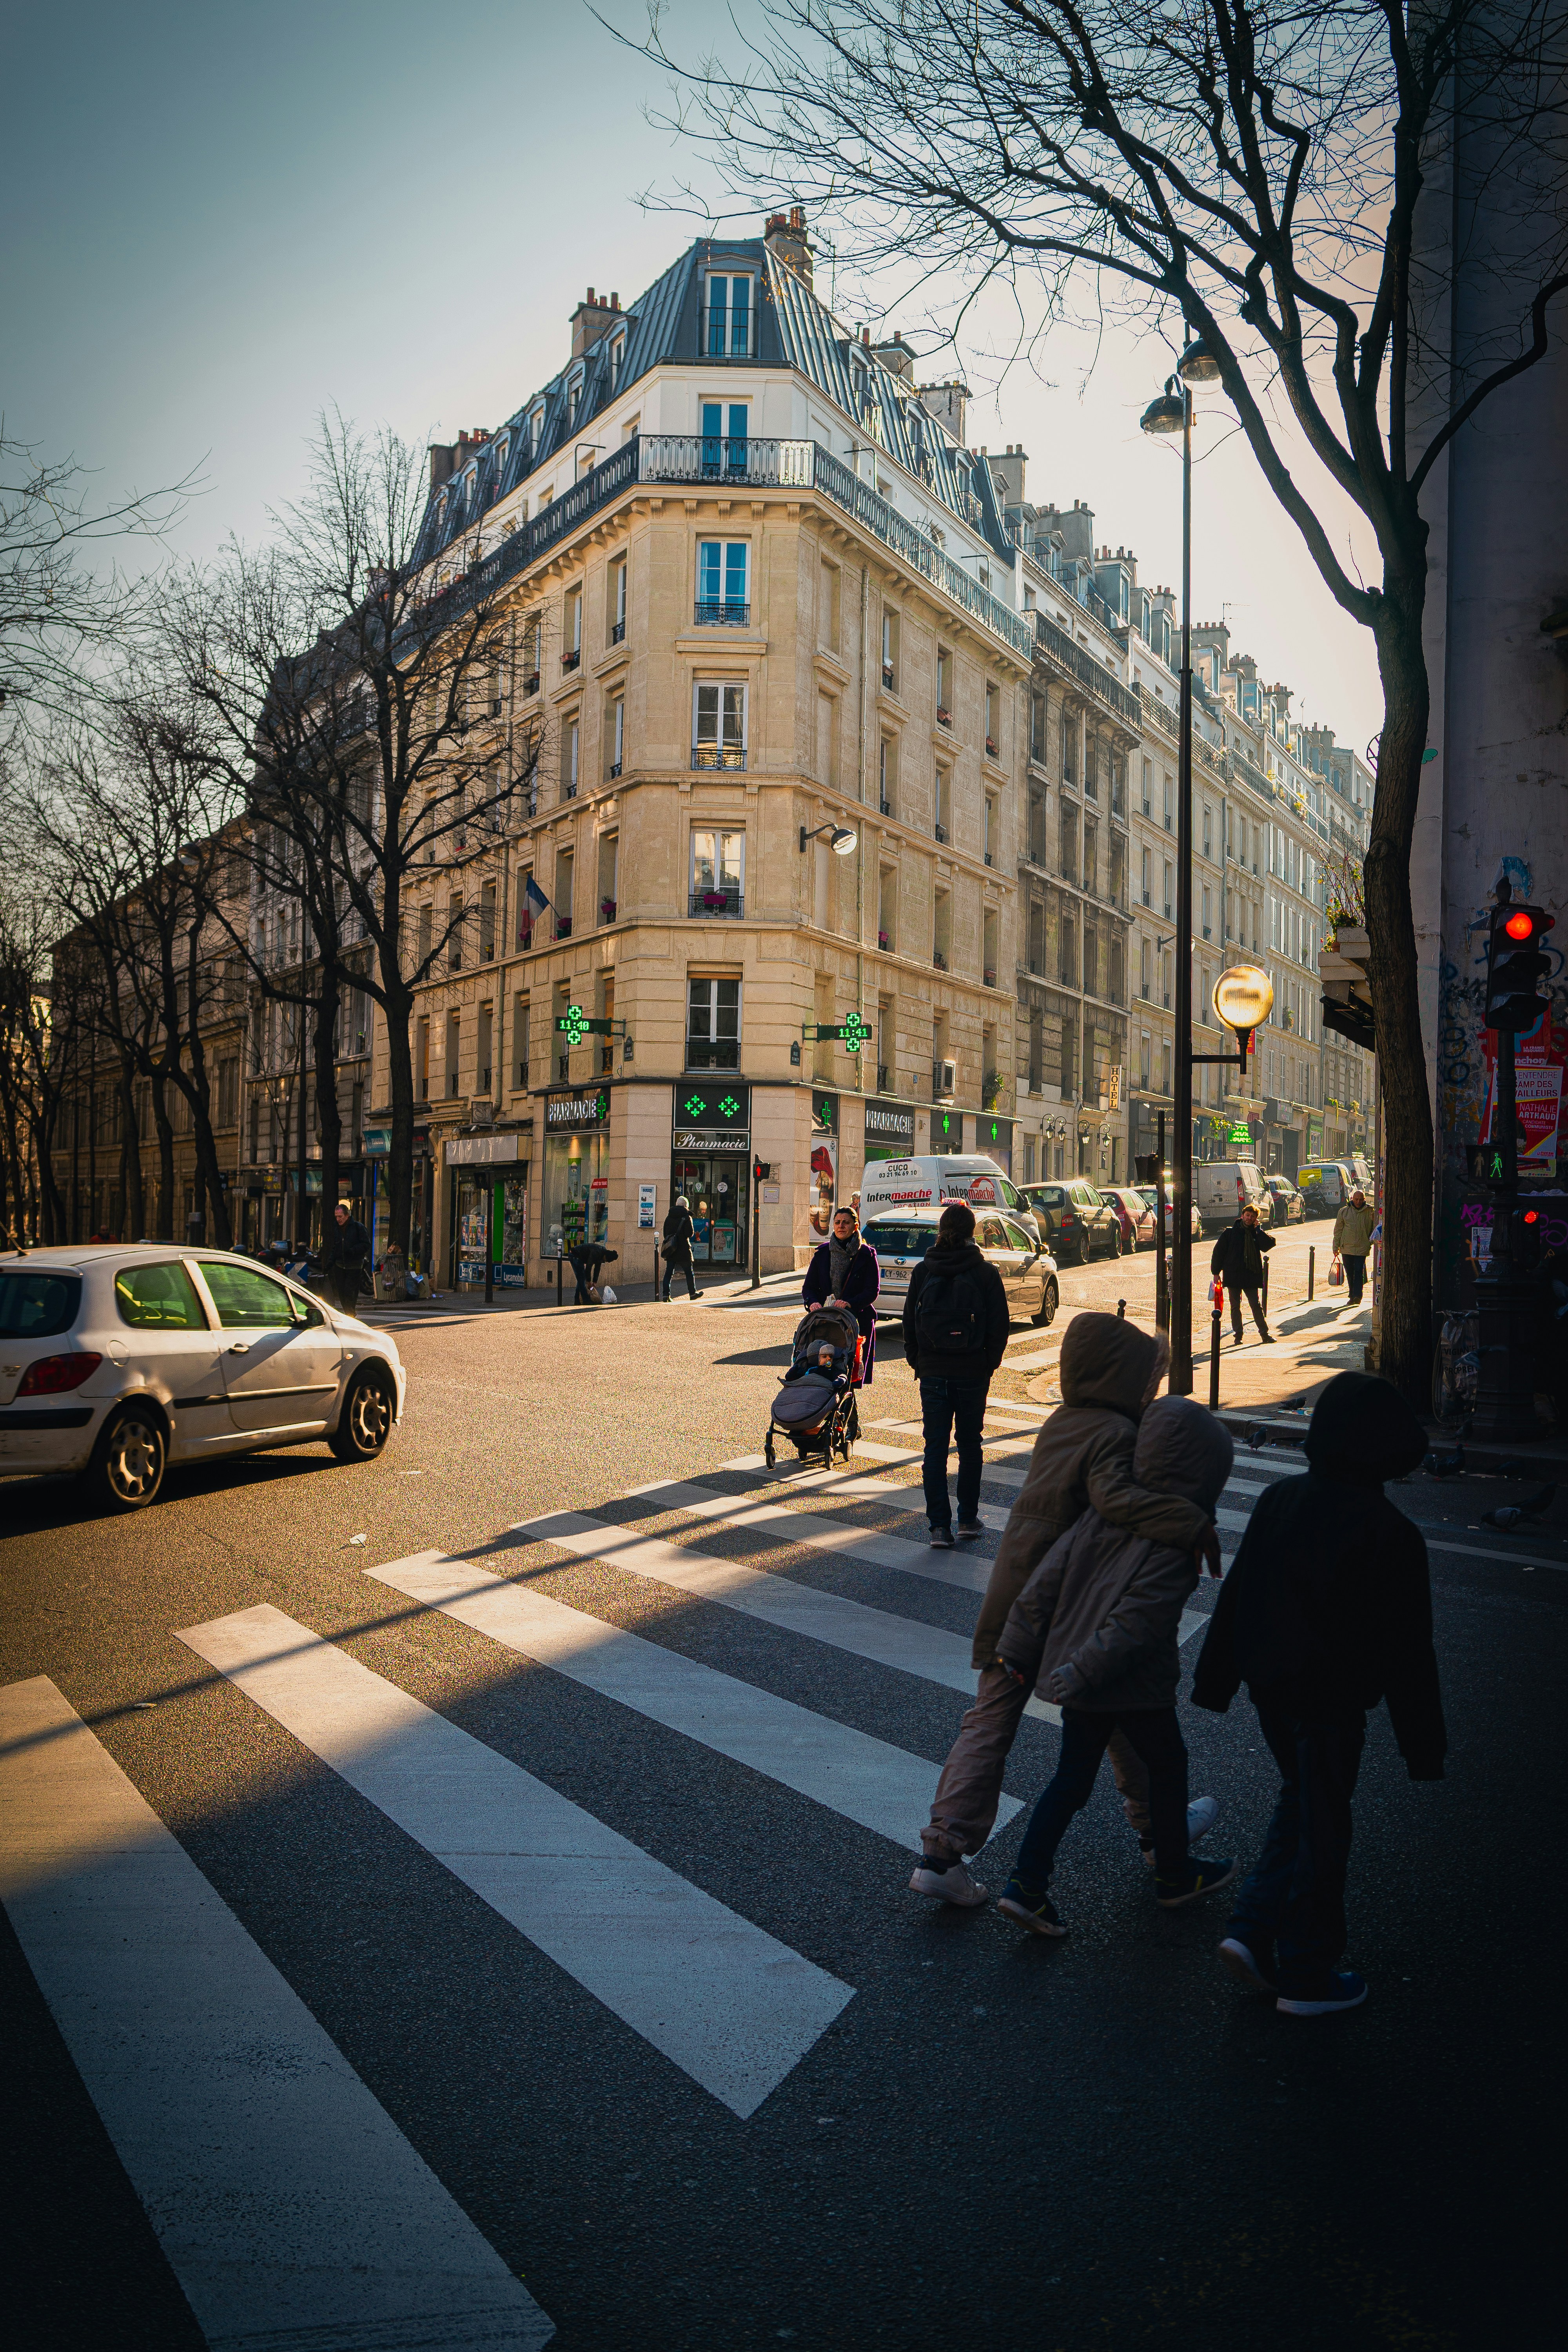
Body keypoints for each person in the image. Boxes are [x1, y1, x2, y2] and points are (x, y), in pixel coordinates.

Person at [910, 1310, 1223, 1906]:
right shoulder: (1115, 1433)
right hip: (1067, 1594)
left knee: (994, 1717)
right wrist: (1190, 1522)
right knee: (1118, 1705)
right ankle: (1159, 1833)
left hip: (1016, 1587)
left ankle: (942, 1854)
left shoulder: (1064, 1420)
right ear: (1122, 1378)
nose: (1154, 1391)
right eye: (1148, 1379)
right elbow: (1116, 1501)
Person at [1192, 1370, 1445, 2016]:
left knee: (1304, 1801)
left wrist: (1216, 1681)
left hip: (1271, 1688)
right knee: (1326, 1824)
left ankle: (1252, 1928)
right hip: (1333, 1702)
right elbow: (1410, 1653)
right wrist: (1423, 1746)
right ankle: (1306, 1969)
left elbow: (1239, 1593)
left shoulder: (1282, 1499)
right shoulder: (1390, 1533)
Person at [991, 1394, 1240, 1936]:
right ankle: (1174, 1875)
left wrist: (1017, 1647)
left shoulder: (1105, 1509)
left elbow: (1045, 1582)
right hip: (1128, 1685)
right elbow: (1135, 1626)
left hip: (1083, 1675)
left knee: (1071, 1781)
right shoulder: (1177, 1541)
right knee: (1168, 1765)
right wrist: (1082, 1675)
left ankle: (1026, 1884)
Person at [900, 1201, 1005, 1549]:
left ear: (941, 1230)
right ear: (972, 1232)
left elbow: (910, 1322)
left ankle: (938, 1528)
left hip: (932, 1371)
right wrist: (988, 1363)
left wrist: (919, 1361)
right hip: (972, 1370)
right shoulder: (986, 1273)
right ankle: (967, 1519)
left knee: (935, 1449)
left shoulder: (924, 1270)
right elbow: (998, 1327)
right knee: (970, 1445)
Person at [803, 1203, 880, 1383]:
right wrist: (813, 1302)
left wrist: (849, 1303)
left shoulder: (867, 1255)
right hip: (826, 1321)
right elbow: (809, 1288)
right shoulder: (823, 1253)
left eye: (846, 1222)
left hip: (856, 1319)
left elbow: (873, 1291)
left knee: (849, 1373)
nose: (841, 1226)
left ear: (856, 1226)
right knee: (823, 1367)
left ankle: (847, 1404)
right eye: (837, 1223)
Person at [1210, 1200, 1274, 1344]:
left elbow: (1268, 1245)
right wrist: (1216, 1272)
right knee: (1235, 1307)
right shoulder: (1230, 1233)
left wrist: (1259, 1230)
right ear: (1242, 1215)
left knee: (1256, 1306)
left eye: (1252, 1216)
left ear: (1255, 1219)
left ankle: (1264, 1334)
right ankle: (1238, 1335)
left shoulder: (1256, 1233)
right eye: (1247, 1215)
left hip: (1251, 1275)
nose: (1249, 1218)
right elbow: (1218, 1252)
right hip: (1233, 1275)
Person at [319, 1200, 371, 1316]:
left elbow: (366, 1244)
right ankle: (349, 1313)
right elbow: (336, 1247)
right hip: (340, 1266)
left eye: (340, 1216)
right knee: (342, 1293)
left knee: (350, 1292)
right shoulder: (337, 1229)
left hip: (354, 1266)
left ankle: (350, 1313)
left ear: (347, 1215)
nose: (338, 1219)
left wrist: (353, 1251)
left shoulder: (358, 1227)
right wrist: (330, 1263)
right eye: (336, 1217)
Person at [1331, 1185, 1375, 1305]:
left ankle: (1357, 1296)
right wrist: (1336, 1247)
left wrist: (1369, 1242)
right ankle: (1352, 1295)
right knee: (1350, 1272)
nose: (1358, 1202)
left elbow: (1374, 1229)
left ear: (1364, 1199)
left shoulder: (1370, 1211)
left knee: (1358, 1271)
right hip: (1347, 1248)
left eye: (1361, 1199)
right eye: (1356, 1199)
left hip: (1362, 1248)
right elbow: (1338, 1230)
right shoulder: (1344, 1212)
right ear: (1352, 1199)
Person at [660, 1196, 701, 1301]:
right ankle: (692, 1293)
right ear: (686, 1206)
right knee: (689, 1272)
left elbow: (665, 1234)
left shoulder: (669, 1217)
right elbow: (690, 1234)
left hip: (672, 1249)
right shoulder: (687, 1217)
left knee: (669, 1272)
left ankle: (666, 1295)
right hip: (683, 1249)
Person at [568, 1238, 618, 1304]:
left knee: (581, 1279)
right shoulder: (597, 1252)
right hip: (575, 1255)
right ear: (606, 1257)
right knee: (582, 1279)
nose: (604, 1261)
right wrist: (589, 1281)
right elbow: (589, 1266)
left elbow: (597, 1269)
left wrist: (595, 1282)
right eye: (605, 1260)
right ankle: (586, 1300)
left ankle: (577, 1301)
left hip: (579, 1258)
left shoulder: (602, 1255)